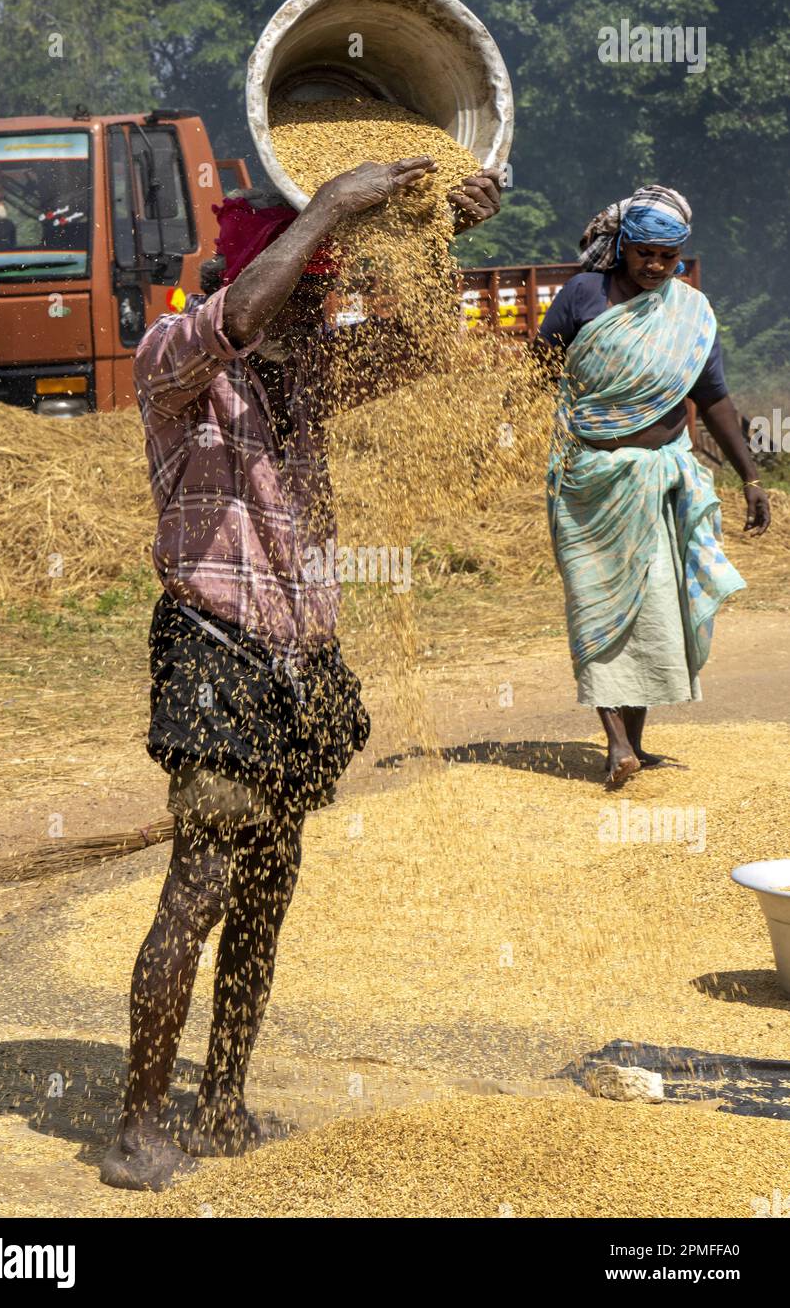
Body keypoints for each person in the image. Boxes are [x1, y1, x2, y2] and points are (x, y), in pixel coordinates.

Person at [99, 157, 502, 1191]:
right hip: (216, 651)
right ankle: (138, 1120)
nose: (322, 312)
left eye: (326, 292)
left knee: (268, 891)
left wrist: (426, 235)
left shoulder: (308, 374)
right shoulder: (178, 359)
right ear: (255, 278)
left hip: (302, 662)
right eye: (309, 289)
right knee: (197, 887)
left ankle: (222, 1099)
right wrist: (329, 206)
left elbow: (420, 348)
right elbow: (236, 321)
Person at [538, 185, 770, 788]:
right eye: (644, 253)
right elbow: (538, 377)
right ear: (621, 246)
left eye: (668, 258)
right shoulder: (582, 296)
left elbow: (713, 397)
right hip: (591, 483)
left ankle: (630, 745)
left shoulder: (688, 313)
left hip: (662, 482)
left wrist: (751, 476)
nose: (655, 267)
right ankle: (615, 742)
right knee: (595, 604)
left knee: (650, 611)